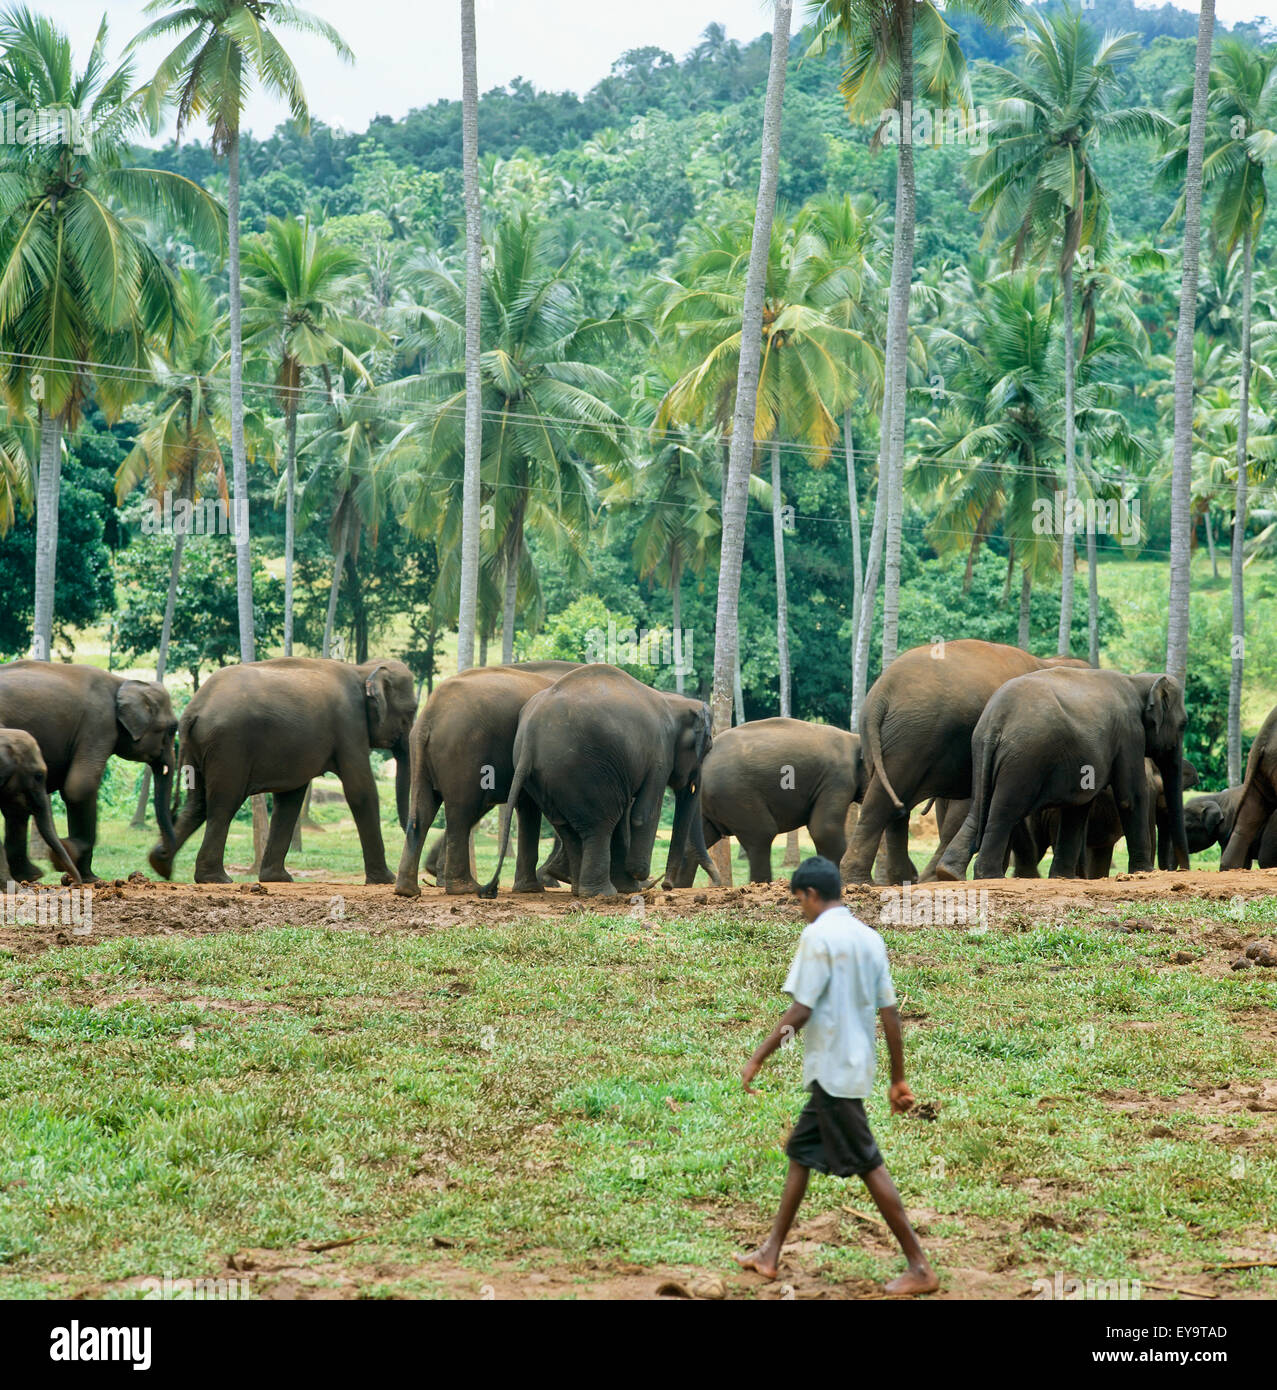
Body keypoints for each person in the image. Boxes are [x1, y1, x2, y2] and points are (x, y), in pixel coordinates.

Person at [736, 855, 938, 1295]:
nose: (800, 910)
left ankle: (919, 1267)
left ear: (810, 895)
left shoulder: (818, 937)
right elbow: (890, 1015)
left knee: (868, 1163)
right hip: (854, 1066)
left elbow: (800, 1010)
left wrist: (758, 1057)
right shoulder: (870, 938)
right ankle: (769, 1253)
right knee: (801, 1152)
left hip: (832, 1071)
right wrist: (897, 1078)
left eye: (798, 902)